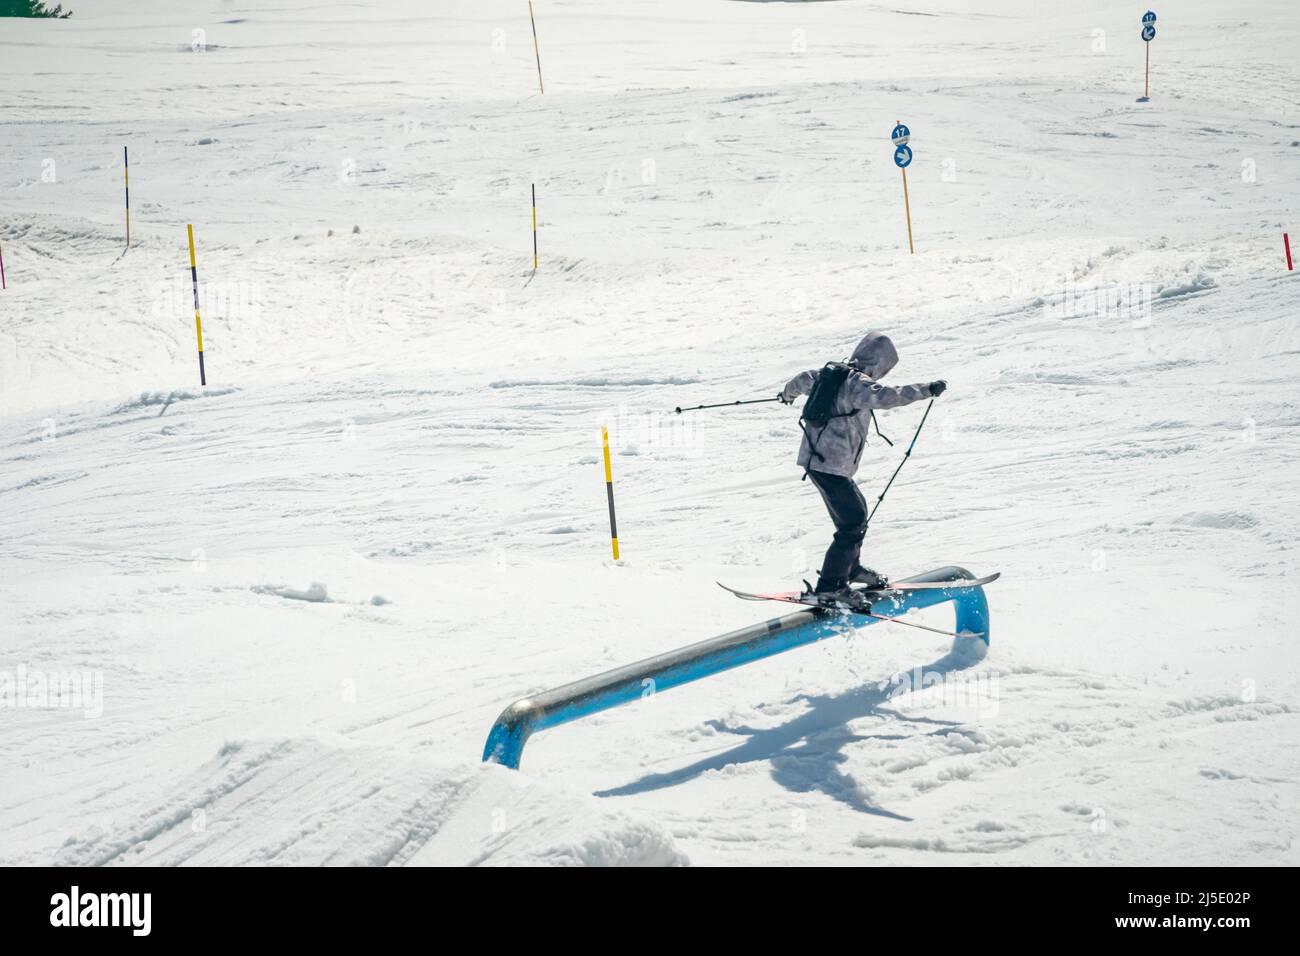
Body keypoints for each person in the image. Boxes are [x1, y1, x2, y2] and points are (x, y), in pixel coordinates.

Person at [780, 331, 945, 602]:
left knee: (857, 514)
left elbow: (800, 380)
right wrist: (927, 389)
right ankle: (831, 586)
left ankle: (850, 568)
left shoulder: (829, 374)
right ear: (880, 362)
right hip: (831, 465)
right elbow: (891, 396)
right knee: (852, 523)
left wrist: (787, 395)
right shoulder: (858, 384)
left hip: (818, 461)